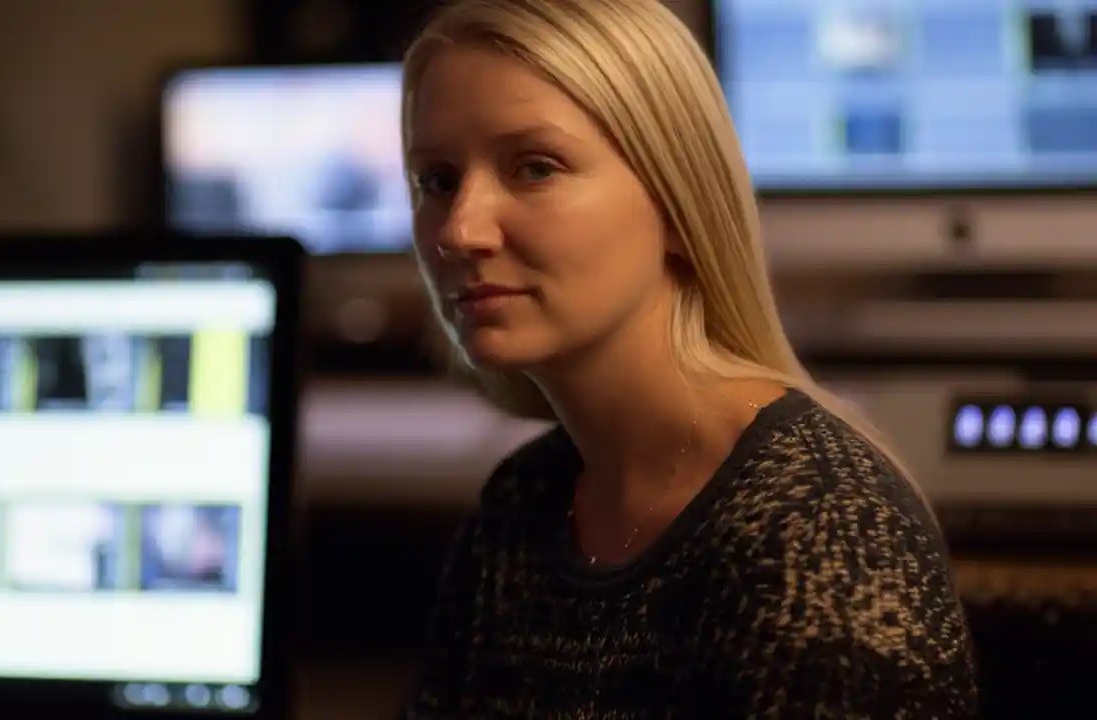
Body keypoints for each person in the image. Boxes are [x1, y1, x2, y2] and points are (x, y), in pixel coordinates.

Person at [398, 0, 978, 717]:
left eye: (535, 168)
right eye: (436, 180)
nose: (460, 229)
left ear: (677, 203)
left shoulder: (817, 534)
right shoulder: (525, 501)